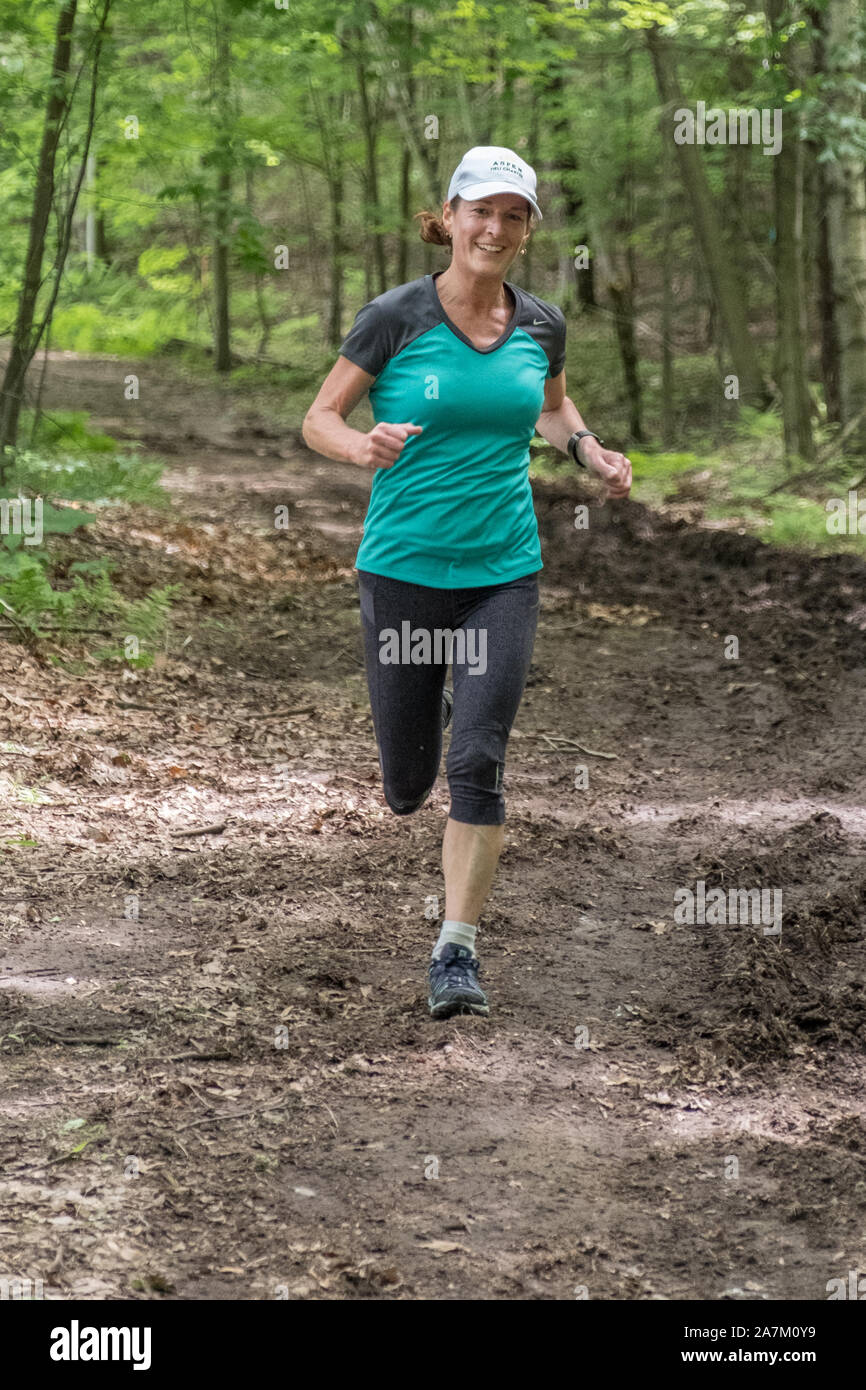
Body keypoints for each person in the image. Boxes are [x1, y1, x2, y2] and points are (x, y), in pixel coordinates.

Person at [302, 146, 631, 1019]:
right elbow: (320, 416)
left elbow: (553, 403)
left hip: (504, 573)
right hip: (404, 570)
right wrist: (358, 446)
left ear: (527, 230)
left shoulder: (543, 324)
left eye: (513, 215)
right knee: (408, 786)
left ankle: (456, 951)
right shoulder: (395, 316)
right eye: (480, 211)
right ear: (447, 216)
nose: (494, 228)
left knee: (479, 759)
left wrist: (588, 448)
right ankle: (426, 739)